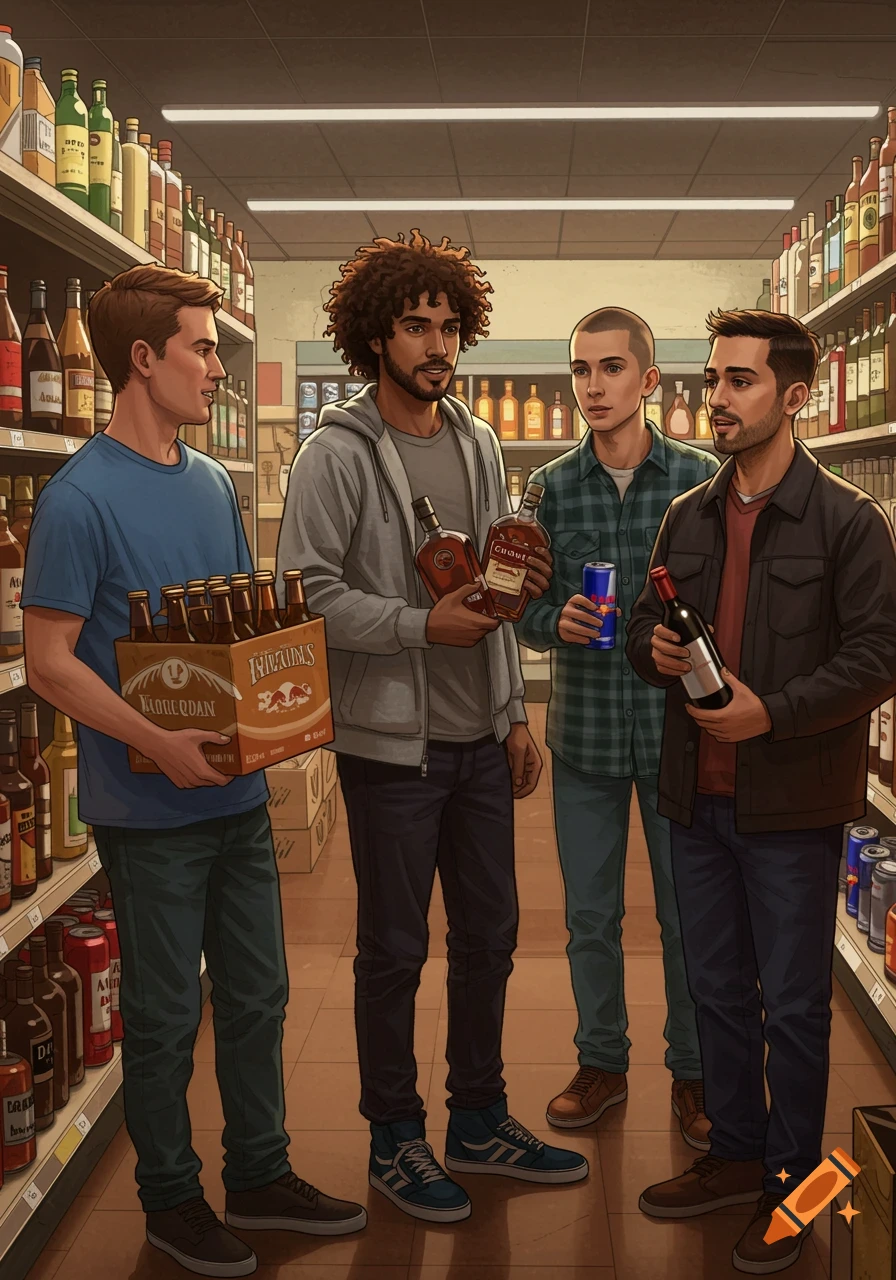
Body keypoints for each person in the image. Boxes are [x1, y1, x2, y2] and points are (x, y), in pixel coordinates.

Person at [21, 264, 366, 1279]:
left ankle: (260, 1171)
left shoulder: (213, 482)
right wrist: (160, 742)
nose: (219, 366)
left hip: (238, 792)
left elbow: (235, 628)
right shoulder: (77, 498)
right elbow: (48, 662)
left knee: (258, 993)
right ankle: (171, 1196)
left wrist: (282, 704)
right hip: (148, 806)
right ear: (143, 357)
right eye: (202, 347)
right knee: (169, 1011)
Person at [277, 228, 588, 1224]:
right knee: (395, 948)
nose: (435, 344)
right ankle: (393, 1134)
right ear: (374, 335)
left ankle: (478, 1115)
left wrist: (509, 713)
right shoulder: (332, 454)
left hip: (478, 744)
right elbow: (310, 595)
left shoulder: (477, 439)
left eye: (448, 325)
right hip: (389, 749)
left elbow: (492, 589)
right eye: (415, 325)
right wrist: (418, 624)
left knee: (491, 936)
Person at [626, 308, 896, 1274]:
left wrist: (770, 713)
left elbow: (878, 657)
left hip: (791, 804)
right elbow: (648, 637)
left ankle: (796, 1186)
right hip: (697, 798)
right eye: (713, 380)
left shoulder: (849, 523)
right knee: (717, 993)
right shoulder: (687, 514)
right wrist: (652, 652)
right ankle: (737, 1154)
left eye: (740, 382)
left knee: (794, 1004)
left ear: (794, 396)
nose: (719, 399)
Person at [515, 308, 716, 1144]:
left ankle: (696, 1072)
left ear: (649, 381)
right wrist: (546, 622)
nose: (593, 386)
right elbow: (515, 607)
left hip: (681, 741)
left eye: (611, 369)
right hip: (589, 738)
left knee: (686, 915)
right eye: (581, 371)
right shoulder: (548, 488)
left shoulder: (702, 481)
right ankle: (601, 1060)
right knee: (590, 915)